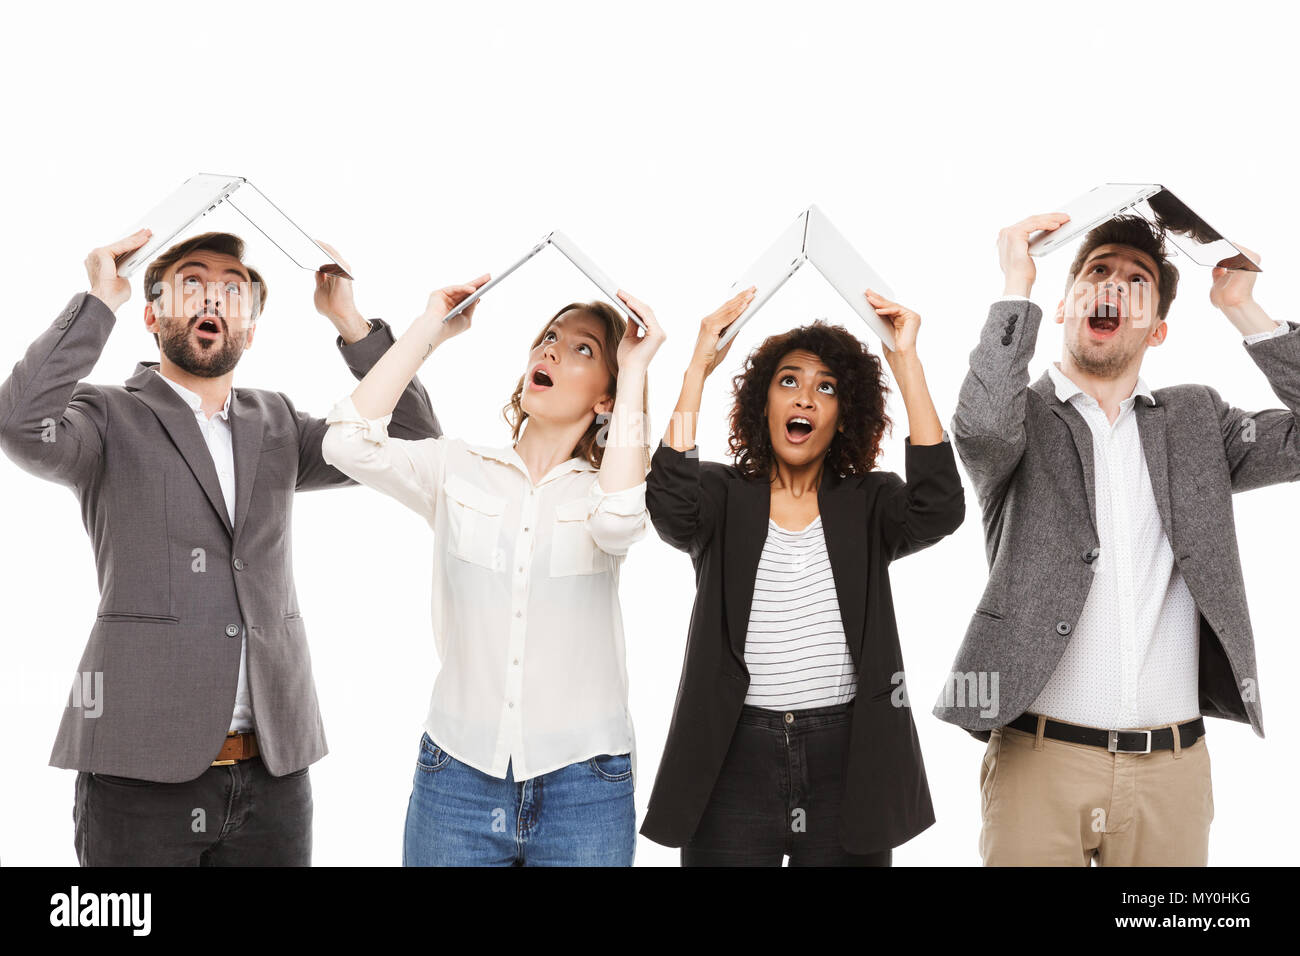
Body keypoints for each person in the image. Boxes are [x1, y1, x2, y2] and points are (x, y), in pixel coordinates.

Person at [0, 228, 441, 865]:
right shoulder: (103, 416)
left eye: (233, 291)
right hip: (139, 773)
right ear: (153, 315)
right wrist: (98, 301)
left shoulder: (279, 423)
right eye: (191, 284)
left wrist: (351, 323)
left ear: (251, 329)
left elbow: (414, 448)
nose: (213, 298)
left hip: (275, 775)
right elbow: (18, 423)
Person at [936, 212, 1297, 866]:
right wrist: (1015, 281)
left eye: (1137, 280)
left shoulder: (1197, 420)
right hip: (1037, 764)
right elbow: (980, 429)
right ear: (1067, 305)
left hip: (1172, 774)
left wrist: (1245, 310)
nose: (1114, 284)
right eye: (1097, 270)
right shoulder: (1017, 420)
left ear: (1157, 327)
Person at [321, 279, 674, 866]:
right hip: (457, 775)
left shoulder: (609, 492)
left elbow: (617, 521)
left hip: (585, 783)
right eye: (549, 339)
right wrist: (430, 325)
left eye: (583, 349)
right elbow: (346, 444)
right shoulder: (457, 468)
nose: (552, 352)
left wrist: (635, 371)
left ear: (605, 398)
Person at [639, 286, 966, 865]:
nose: (806, 399)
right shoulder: (720, 495)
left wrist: (906, 362)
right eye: (789, 381)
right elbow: (667, 503)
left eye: (826, 388)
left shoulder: (869, 501)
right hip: (732, 757)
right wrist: (697, 368)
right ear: (763, 403)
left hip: (847, 759)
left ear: (844, 417)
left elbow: (939, 507)